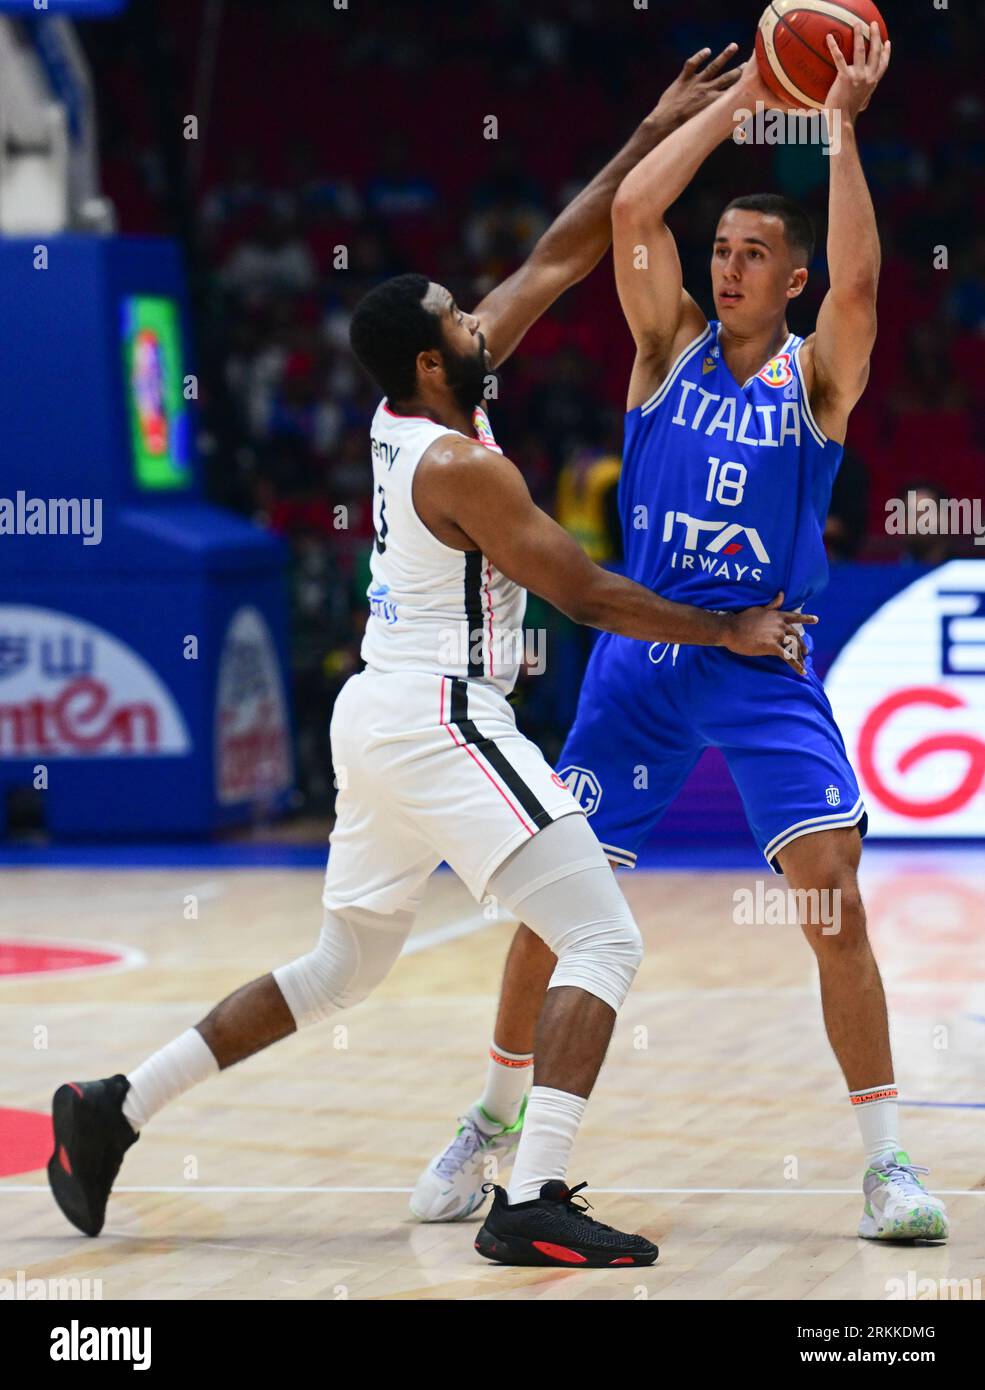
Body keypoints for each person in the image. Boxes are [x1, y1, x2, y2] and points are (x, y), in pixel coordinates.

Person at [47, 49, 810, 1271]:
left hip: (380, 714)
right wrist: (727, 629)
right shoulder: (462, 465)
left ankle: (111, 1107)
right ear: (426, 359)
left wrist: (654, 131)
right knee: (604, 940)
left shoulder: (435, 401)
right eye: (462, 317)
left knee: (339, 966)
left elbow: (558, 256)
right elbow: (588, 590)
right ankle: (534, 1194)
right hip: (440, 717)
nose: (480, 315)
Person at [414, 27, 949, 1246]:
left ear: (793, 278)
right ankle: (493, 1123)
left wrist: (841, 130)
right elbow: (633, 213)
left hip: (761, 662)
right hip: (645, 660)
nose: (727, 267)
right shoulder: (663, 352)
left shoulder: (815, 382)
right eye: (719, 249)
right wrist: (736, 104)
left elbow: (865, 290)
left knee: (832, 897)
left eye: (754, 253)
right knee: (558, 904)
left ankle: (883, 1164)